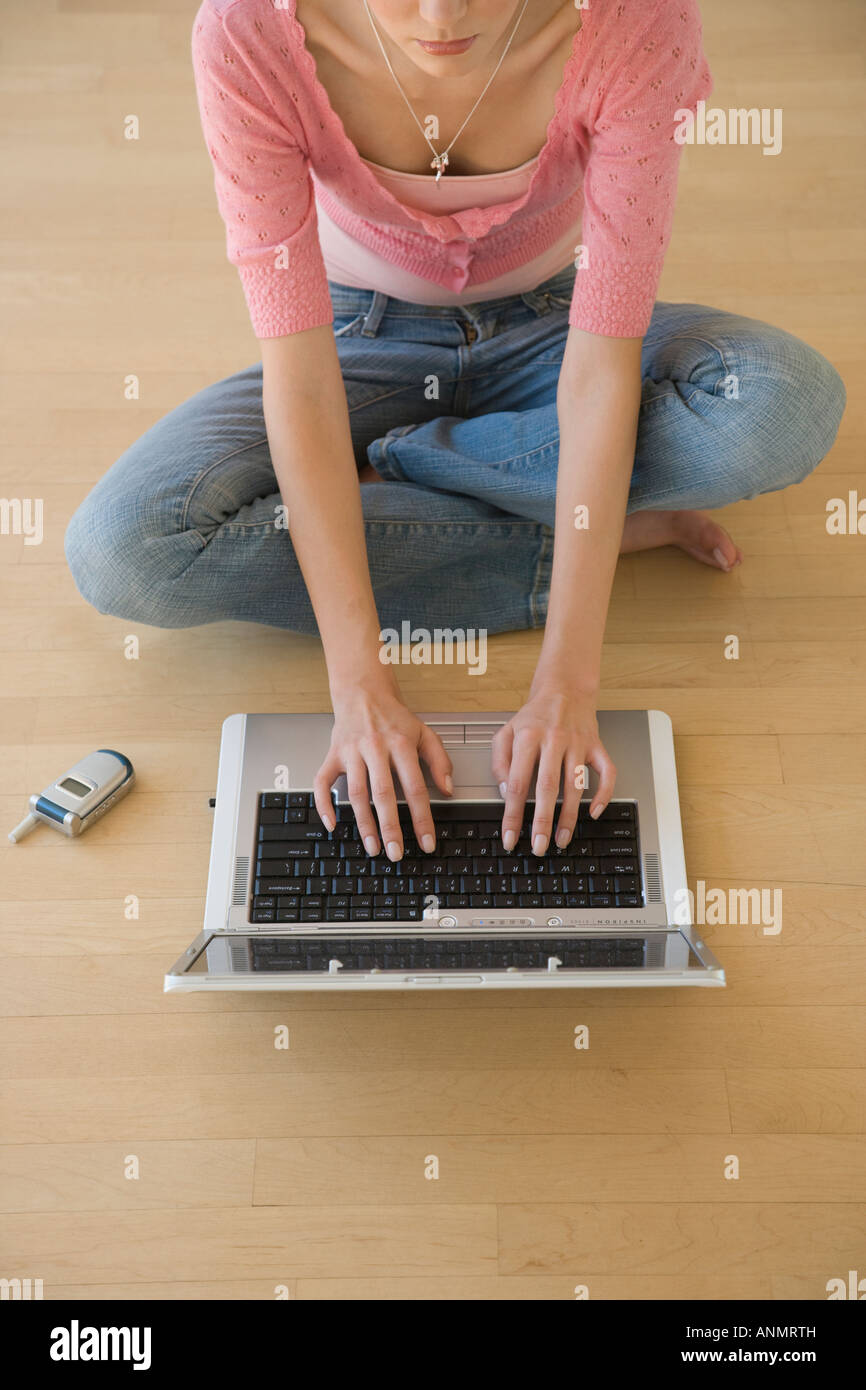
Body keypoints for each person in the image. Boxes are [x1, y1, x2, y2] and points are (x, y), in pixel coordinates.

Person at [65, 0, 845, 864]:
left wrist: (568, 681)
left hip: (557, 326)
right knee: (125, 548)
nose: (442, 17)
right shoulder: (249, 32)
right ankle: (597, 521)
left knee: (781, 403)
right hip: (358, 338)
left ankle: (407, 464)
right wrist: (356, 687)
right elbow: (305, 380)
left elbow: (598, 370)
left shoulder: (638, 19)